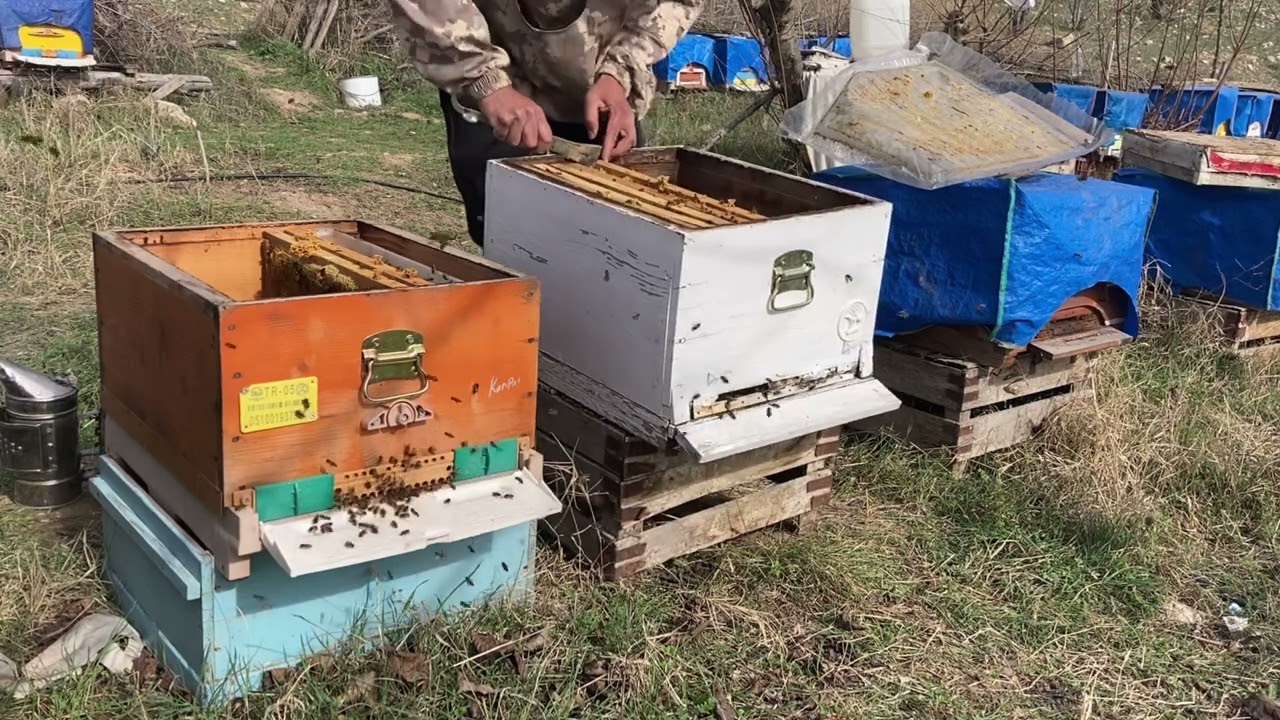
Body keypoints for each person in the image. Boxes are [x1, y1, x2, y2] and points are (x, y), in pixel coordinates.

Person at [389, 0, 704, 246]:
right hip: (495, 80)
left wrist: (619, 71)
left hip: (599, 89)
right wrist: (485, 79)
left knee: (619, 242)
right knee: (511, 243)